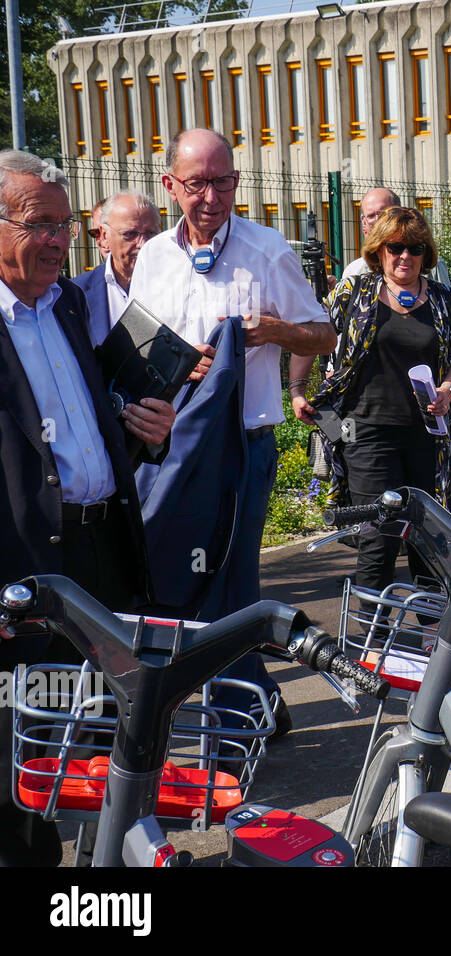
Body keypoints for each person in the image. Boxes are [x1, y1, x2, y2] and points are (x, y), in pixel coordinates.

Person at [0, 149, 175, 865]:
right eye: (38, 223)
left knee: (105, 741)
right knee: (25, 765)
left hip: (104, 553)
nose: (56, 239)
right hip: (26, 568)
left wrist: (146, 429)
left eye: (64, 224)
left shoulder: (69, 303)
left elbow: (85, 424)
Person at [129, 128, 336, 720]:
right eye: (197, 184)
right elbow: (138, 343)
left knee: (233, 575)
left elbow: (323, 333)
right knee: (170, 574)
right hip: (171, 442)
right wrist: (177, 362)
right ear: (171, 187)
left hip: (245, 443)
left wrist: (273, 331)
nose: (211, 198)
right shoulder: (154, 257)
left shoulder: (268, 249)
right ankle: (244, 700)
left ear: (237, 183)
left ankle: (241, 711)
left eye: (223, 182)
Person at [292, 208, 451, 589]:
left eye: (415, 248)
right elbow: (313, 333)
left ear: (426, 254)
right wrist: (297, 390)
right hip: (367, 433)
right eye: (396, 247)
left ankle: (432, 635)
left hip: (428, 435)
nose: (405, 256)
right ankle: (372, 641)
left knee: (428, 536)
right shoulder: (354, 292)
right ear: (379, 250)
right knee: (379, 536)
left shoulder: (442, 300)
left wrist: (447, 391)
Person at [71, 191, 162, 346]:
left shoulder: (179, 283)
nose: (142, 243)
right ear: (104, 236)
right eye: (130, 234)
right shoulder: (75, 293)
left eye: (150, 233)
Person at [340, 186, 451, 289]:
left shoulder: (432, 265)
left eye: (384, 213)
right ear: (363, 222)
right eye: (371, 216)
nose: (378, 220)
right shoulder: (354, 271)